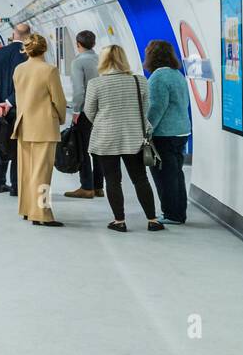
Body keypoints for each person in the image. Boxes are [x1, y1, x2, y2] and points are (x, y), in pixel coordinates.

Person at [82, 45, 163, 233]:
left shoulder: (96, 84)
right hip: (134, 137)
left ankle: (119, 221)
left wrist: (105, 122)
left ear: (103, 61)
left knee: (112, 180)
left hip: (105, 138)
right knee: (140, 179)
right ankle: (152, 220)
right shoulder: (139, 81)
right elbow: (145, 109)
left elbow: (89, 112)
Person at [11, 33, 68, 226]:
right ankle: (42, 212)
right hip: (44, 126)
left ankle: (27, 209)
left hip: (24, 125)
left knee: (26, 171)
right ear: (45, 48)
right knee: (42, 173)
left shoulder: (19, 69)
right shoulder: (49, 70)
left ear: (25, 49)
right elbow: (59, 100)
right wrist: (60, 117)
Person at [144, 39, 191, 225]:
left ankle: (171, 214)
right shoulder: (177, 74)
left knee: (164, 176)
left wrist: (147, 130)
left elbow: (156, 108)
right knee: (176, 174)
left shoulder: (158, 77)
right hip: (181, 131)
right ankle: (179, 212)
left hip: (165, 134)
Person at [0, 23, 30, 195]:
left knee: (1, 143)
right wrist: (10, 102)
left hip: (0, 109)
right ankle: (16, 186)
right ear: (28, 36)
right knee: (18, 147)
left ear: (13, 34)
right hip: (20, 107)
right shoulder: (27, 55)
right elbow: (25, 84)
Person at [63, 30, 103, 200]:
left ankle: (86, 187)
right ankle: (99, 186)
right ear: (93, 43)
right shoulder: (101, 59)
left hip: (86, 110)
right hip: (102, 111)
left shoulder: (78, 62)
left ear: (78, 44)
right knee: (98, 149)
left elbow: (79, 91)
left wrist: (76, 111)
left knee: (83, 148)